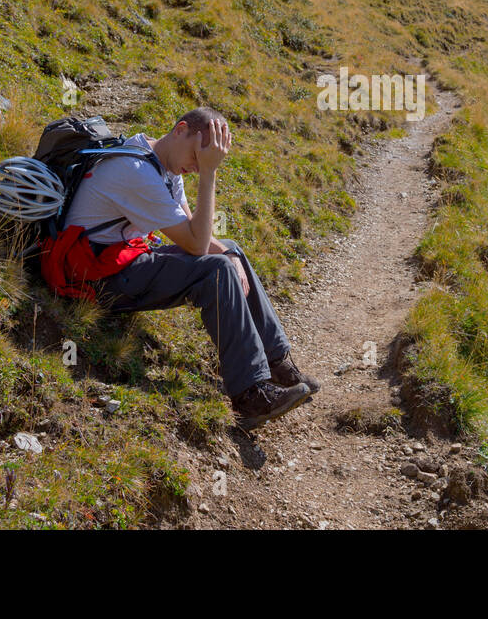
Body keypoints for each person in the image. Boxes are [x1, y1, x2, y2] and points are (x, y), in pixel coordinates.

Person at [64, 106, 319, 430]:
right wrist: (210, 174)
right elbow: (197, 245)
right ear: (181, 129)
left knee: (231, 251)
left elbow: (198, 234)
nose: (198, 167)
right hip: (95, 278)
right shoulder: (134, 170)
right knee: (216, 269)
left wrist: (233, 257)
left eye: (205, 161)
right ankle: (250, 395)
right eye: (198, 157)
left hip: (121, 258)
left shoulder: (165, 165)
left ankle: (277, 365)